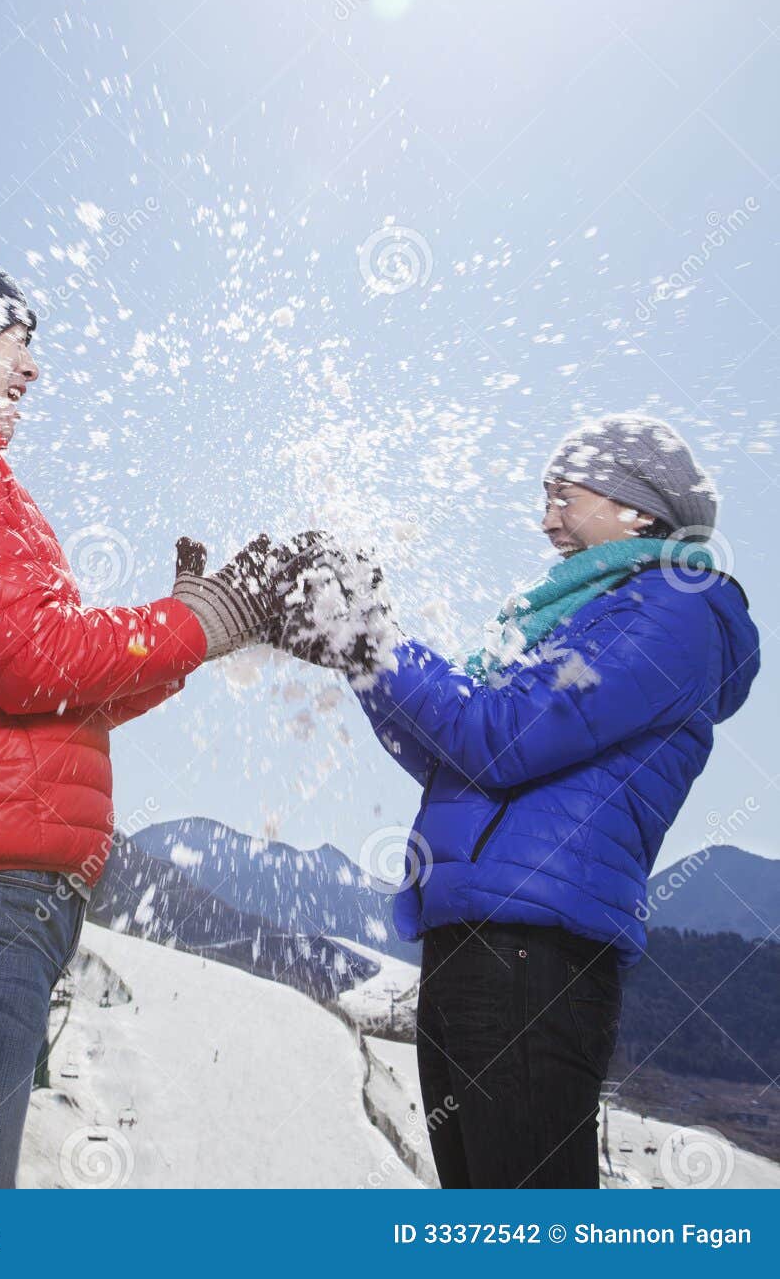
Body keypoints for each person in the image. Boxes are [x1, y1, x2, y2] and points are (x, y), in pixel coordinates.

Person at [0, 237, 278, 1189]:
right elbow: (29, 660)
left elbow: (49, 690)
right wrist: (192, 625)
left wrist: (190, 633)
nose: (33, 366)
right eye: (16, 340)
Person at [270, 414, 760, 1188]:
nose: (546, 519)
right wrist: (360, 656)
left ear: (637, 509)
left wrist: (377, 641)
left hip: (531, 958)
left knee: (530, 1224)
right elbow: (449, 758)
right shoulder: (581, 612)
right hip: (478, 944)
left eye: (565, 496)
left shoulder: (668, 609)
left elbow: (494, 738)